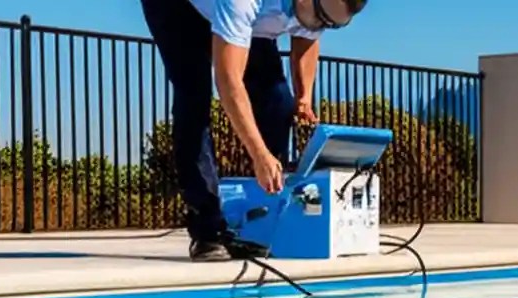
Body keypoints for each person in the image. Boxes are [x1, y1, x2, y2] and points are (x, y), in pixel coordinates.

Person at [140, 0, 369, 262]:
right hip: (180, 10)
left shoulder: (319, 9)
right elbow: (229, 81)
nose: (319, 25)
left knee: (277, 100)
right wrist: (259, 154)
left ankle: (259, 221)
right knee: (193, 99)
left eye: (329, 24)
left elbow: (307, 37)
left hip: (248, 17)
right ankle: (207, 230)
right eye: (320, 17)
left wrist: (303, 97)